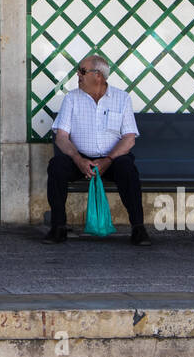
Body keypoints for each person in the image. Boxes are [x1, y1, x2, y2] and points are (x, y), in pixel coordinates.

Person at [44, 53, 151, 246]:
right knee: (56, 166)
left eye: (82, 71)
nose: (78, 75)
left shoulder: (122, 98)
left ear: (98, 75)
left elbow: (129, 139)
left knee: (128, 169)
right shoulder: (72, 99)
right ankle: (58, 227)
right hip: (80, 159)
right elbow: (61, 137)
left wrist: (108, 160)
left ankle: (138, 228)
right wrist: (78, 159)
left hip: (112, 159)